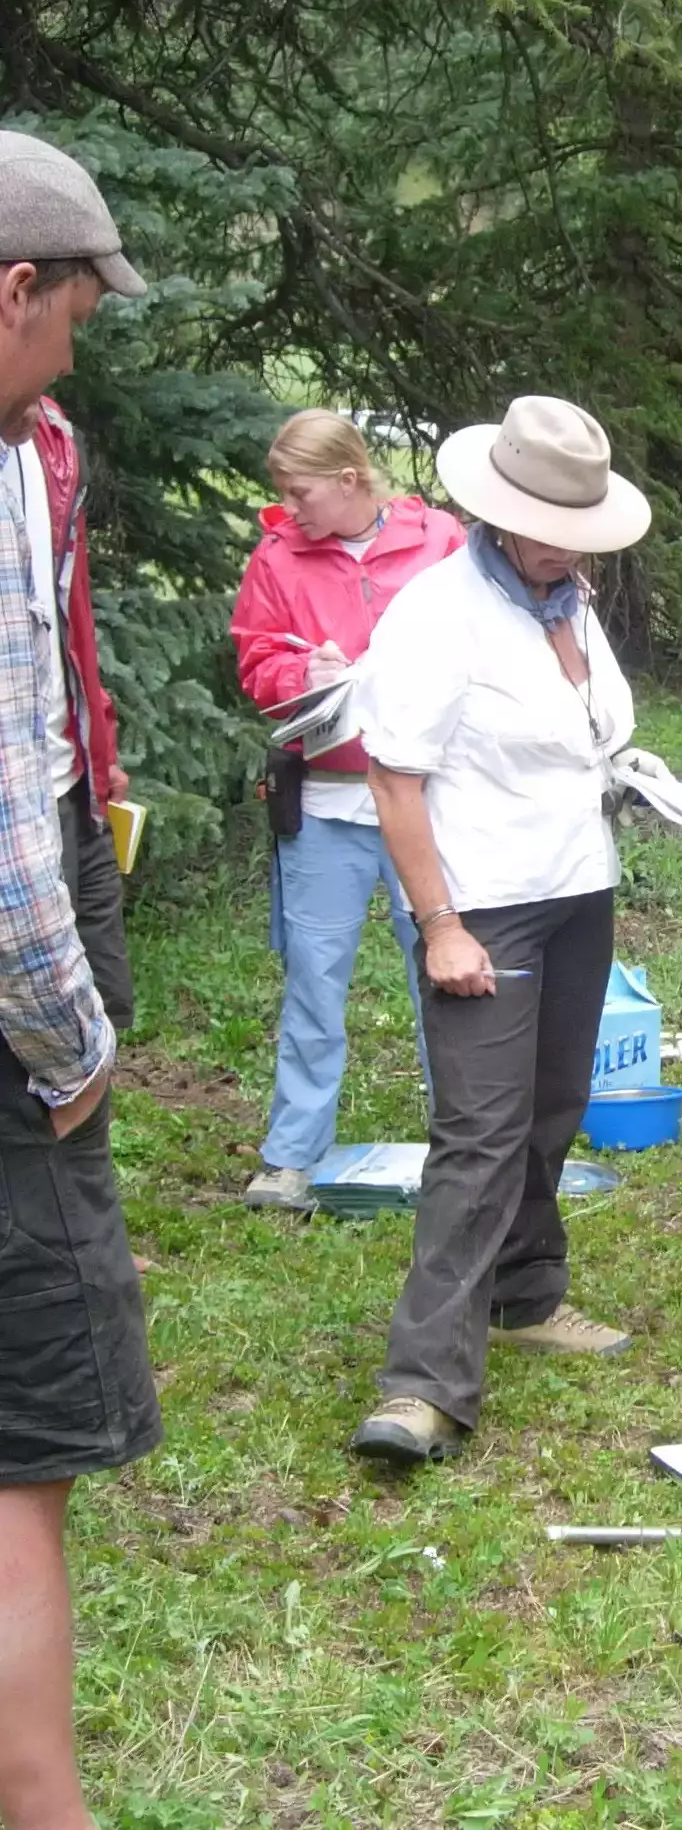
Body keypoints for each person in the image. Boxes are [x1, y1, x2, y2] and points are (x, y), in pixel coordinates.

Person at [349, 396, 650, 1465]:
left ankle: (527, 1297)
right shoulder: (439, 612)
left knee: (552, 1107)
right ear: (503, 514)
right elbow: (393, 780)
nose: (574, 548)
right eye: (556, 528)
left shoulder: (567, 599)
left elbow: (589, 731)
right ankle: (421, 1386)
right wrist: (440, 926)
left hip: (578, 890)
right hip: (480, 900)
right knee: (478, 1135)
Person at [0, 128, 161, 1830]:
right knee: (21, 1441)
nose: (77, 347)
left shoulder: (28, 452)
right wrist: (66, 1034)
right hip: (6, 1016)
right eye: (71, 311)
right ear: (11, 290)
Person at [231, 411, 465, 1208]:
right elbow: (255, 658)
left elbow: (487, 638)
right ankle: (292, 1156)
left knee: (446, 972)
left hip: (429, 806)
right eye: (282, 495)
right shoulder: (276, 556)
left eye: (301, 493)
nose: (290, 509)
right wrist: (305, 672)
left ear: (350, 479)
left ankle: (464, 1143)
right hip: (327, 807)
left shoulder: (440, 542)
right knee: (314, 980)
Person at [5, 395, 134, 1034]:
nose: (67, 364)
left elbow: (67, 619)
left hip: (74, 774)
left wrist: (98, 744)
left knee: (102, 1000)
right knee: (41, 1026)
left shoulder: (51, 437)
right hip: (20, 801)